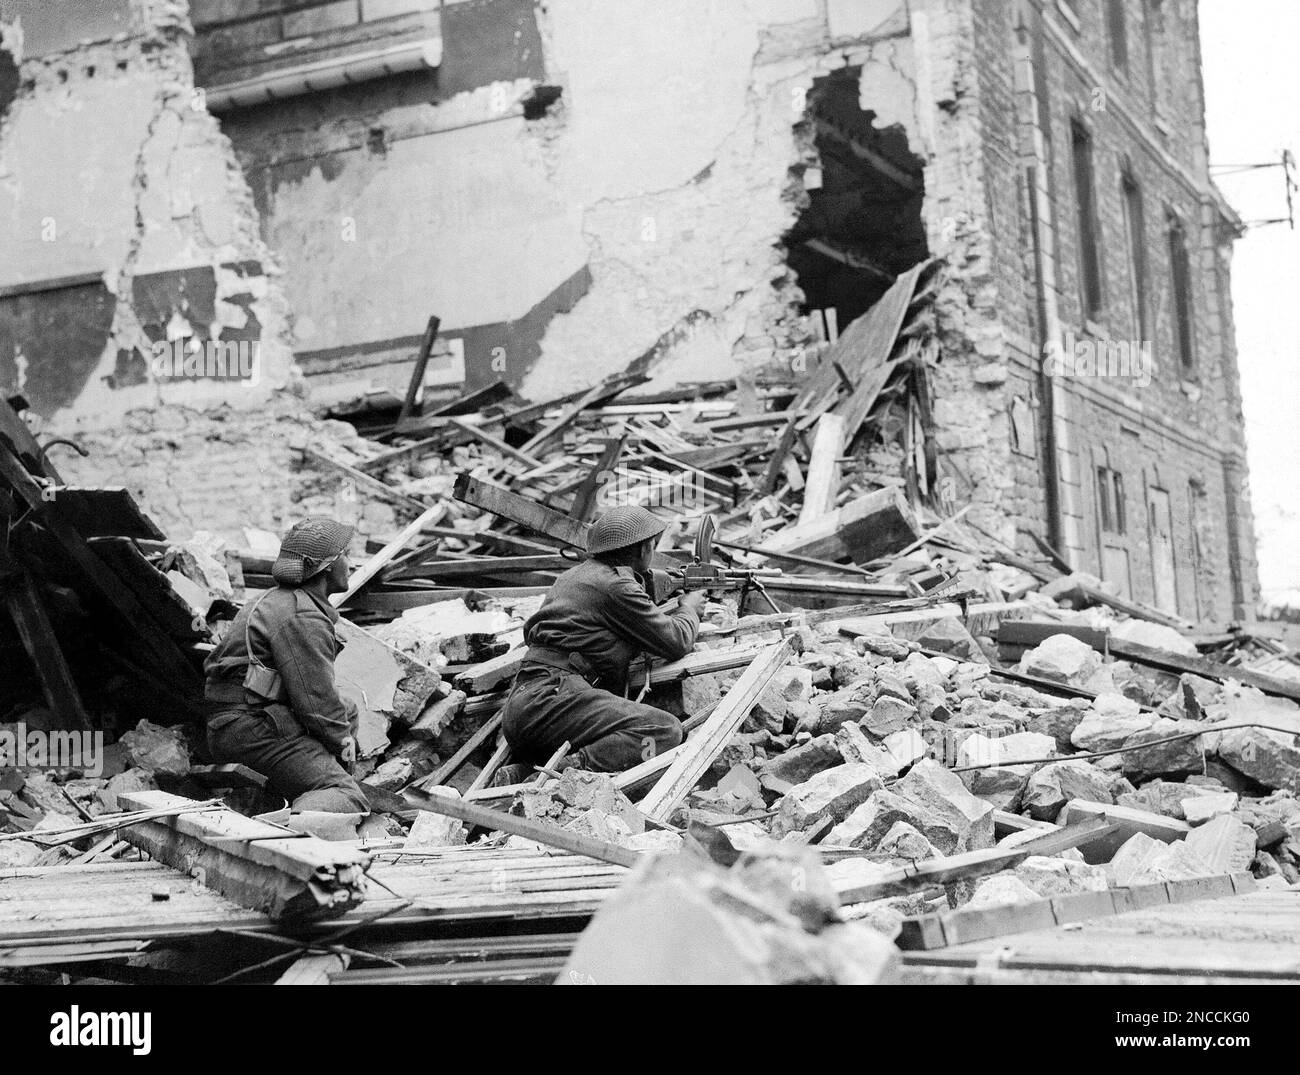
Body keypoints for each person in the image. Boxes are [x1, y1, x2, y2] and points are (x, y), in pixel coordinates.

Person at [495, 505, 705, 785]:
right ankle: (563, 775)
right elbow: (677, 641)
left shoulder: (573, 576)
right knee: (664, 731)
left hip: (526, 709)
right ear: (643, 549)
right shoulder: (617, 586)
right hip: (552, 701)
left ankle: (525, 774)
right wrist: (689, 609)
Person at [203, 516, 369, 815]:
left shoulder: (274, 600)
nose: (352, 563)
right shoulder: (301, 615)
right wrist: (345, 750)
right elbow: (317, 706)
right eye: (345, 555)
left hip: (238, 723)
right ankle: (285, 826)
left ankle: (318, 781)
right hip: (251, 729)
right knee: (348, 796)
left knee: (349, 709)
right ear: (326, 566)